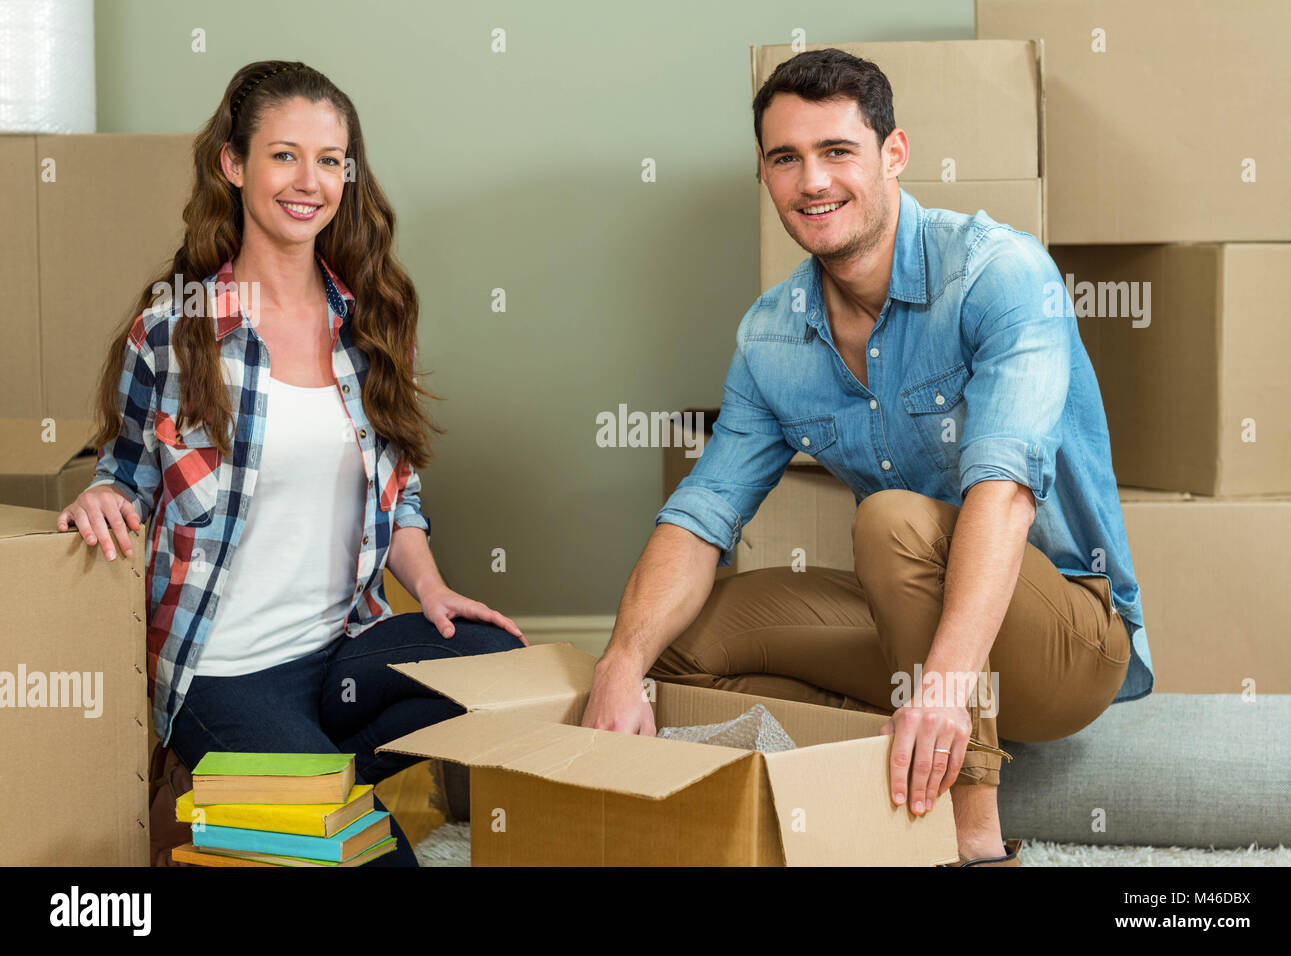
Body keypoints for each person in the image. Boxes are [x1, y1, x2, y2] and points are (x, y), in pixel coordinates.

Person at [580, 49, 1151, 867]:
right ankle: (876, 761)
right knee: (673, 644)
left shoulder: (999, 273)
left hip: (1064, 634)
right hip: (913, 614)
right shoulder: (773, 337)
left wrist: (949, 689)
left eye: (837, 151)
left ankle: (974, 840)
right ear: (766, 174)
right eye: (786, 158)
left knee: (891, 523)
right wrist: (619, 662)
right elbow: (702, 514)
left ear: (894, 154)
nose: (812, 181)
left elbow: (1004, 488)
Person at [57, 60, 526, 867]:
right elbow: (125, 467)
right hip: (224, 673)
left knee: (500, 662)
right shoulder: (174, 330)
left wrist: (436, 588)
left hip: (341, 648)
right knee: (377, 860)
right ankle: (288, 789)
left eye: (331, 158)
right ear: (233, 165)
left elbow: (398, 497)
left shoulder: (373, 322)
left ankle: (305, 787)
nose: (311, 180)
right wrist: (99, 492)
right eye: (284, 155)